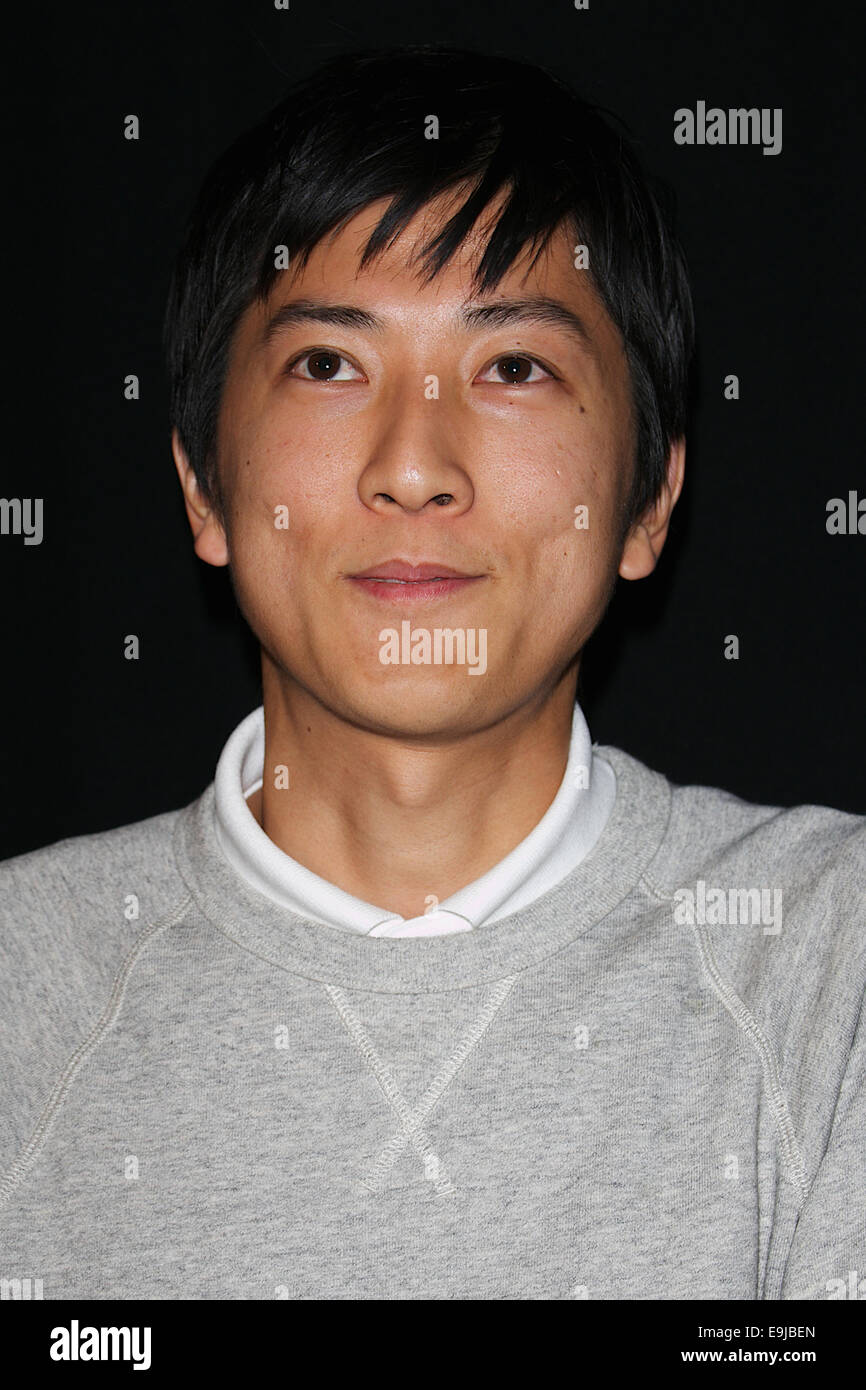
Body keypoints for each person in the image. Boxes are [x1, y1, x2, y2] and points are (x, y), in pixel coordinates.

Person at [1, 44, 863, 1302]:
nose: (413, 465)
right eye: (328, 364)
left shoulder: (828, 963)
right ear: (202, 482)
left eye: (512, 366)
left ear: (646, 501)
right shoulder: (24, 989)